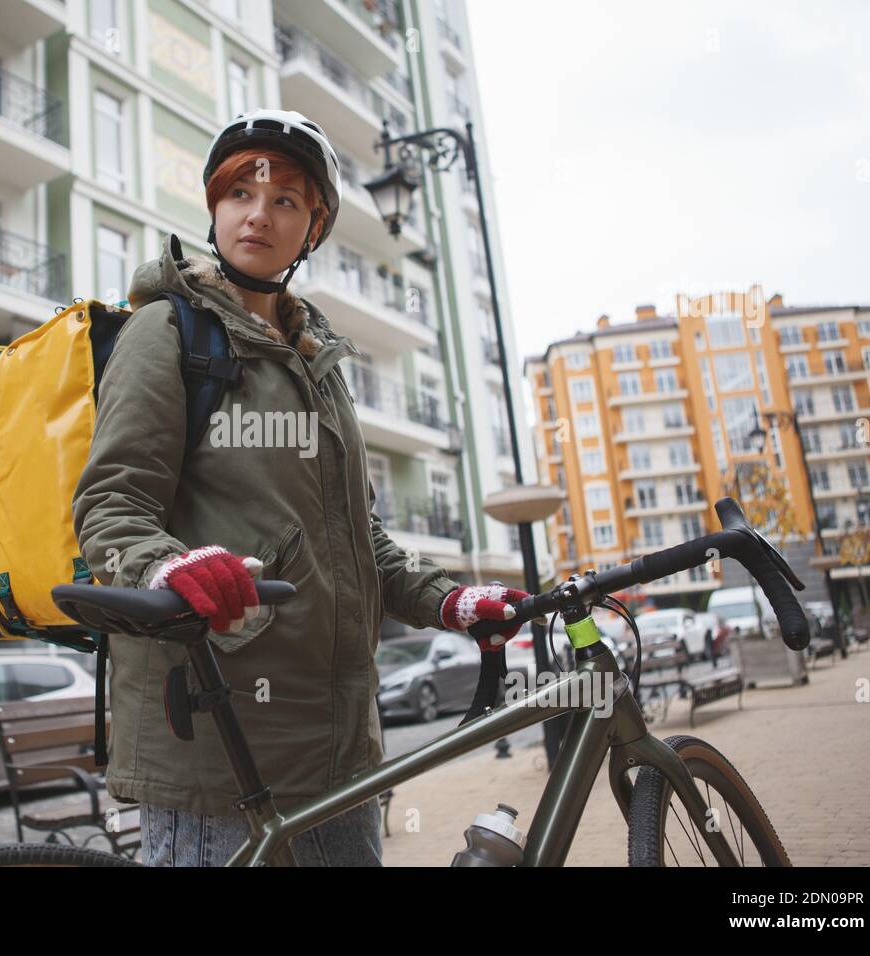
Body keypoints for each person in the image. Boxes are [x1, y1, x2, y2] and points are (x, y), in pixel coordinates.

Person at [71, 108, 527, 866]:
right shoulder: (169, 333)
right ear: (214, 208)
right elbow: (111, 504)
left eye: (286, 200)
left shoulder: (316, 362)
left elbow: (358, 542)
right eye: (241, 194)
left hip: (340, 749)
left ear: (312, 228)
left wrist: (448, 600)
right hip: (217, 747)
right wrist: (171, 566)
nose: (259, 215)